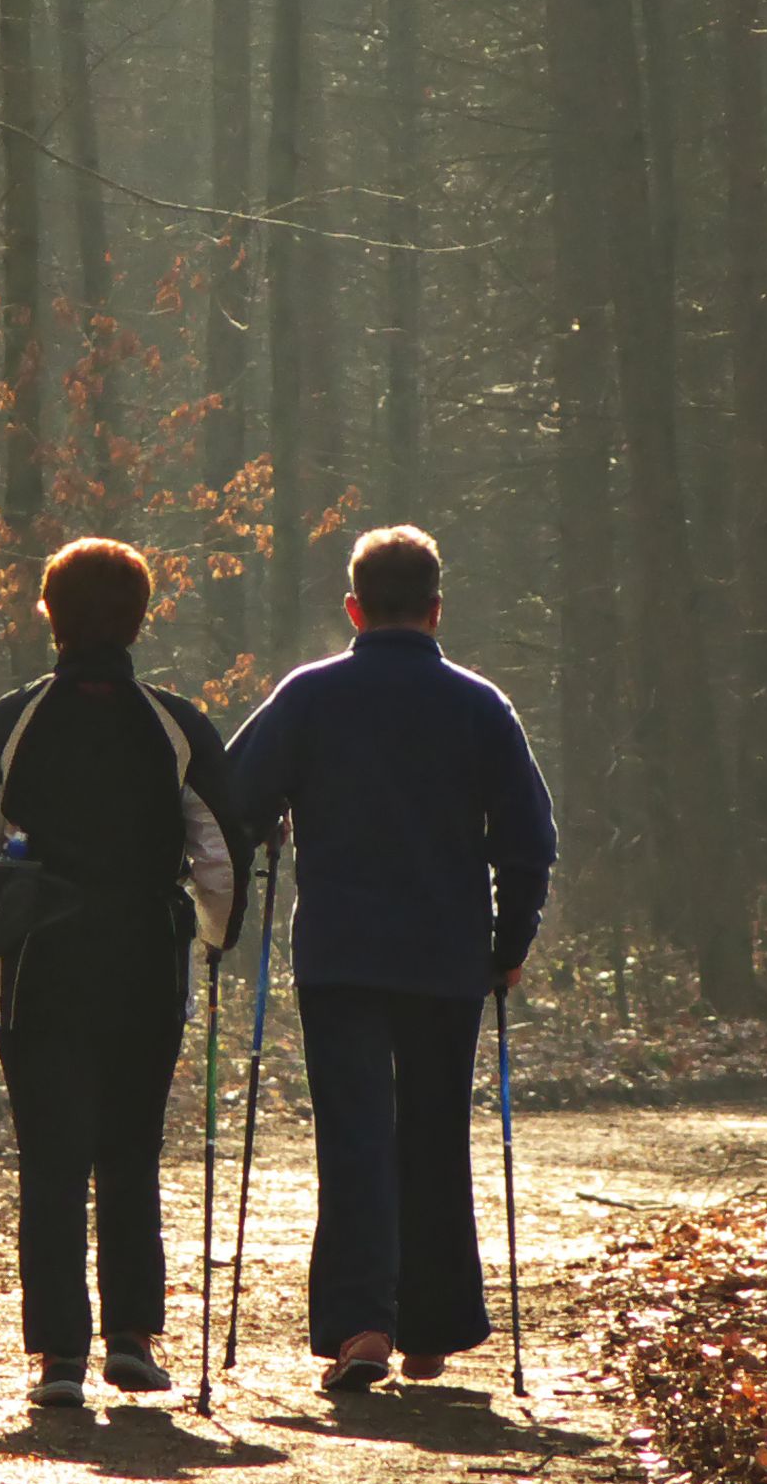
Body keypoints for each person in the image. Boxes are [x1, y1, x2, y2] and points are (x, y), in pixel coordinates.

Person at [224, 525, 557, 1395]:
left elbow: (232, 802)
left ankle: (361, 1324)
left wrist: (271, 831)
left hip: (340, 955)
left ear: (353, 607)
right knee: (435, 1134)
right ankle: (431, 1330)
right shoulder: (480, 705)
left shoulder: (309, 696)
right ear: (437, 609)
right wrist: (508, 946)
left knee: (356, 1135)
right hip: (448, 956)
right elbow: (528, 841)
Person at [0, 539, 246, 1409]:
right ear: (140, 618)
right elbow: (221, 847)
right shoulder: (174, 722)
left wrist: (6, 887)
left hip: (40, 966)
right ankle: (134, 1342)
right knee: (130, 1148)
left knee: (53, 1156)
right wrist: (215, 938)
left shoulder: (14, 720)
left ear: (50, 615)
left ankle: (59, 1360)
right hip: (147, 958)